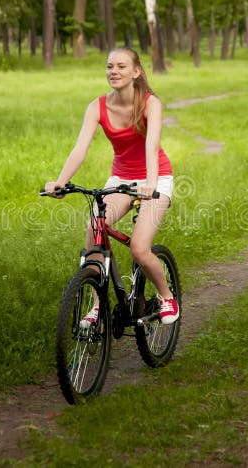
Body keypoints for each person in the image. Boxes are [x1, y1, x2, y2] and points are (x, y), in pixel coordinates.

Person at [44, 47, 178, 325]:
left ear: (136, 72)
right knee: (95, 226)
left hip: (155, 178)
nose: (114, 72)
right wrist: (60, 181)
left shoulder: (151, 103)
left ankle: (166, 296)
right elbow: (80, 148)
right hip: (120, 179)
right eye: (109, 67)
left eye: (121, 66)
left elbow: (151, 147)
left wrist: (150, 184)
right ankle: (96, 306)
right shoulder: (97, 106)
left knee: (140, 249)